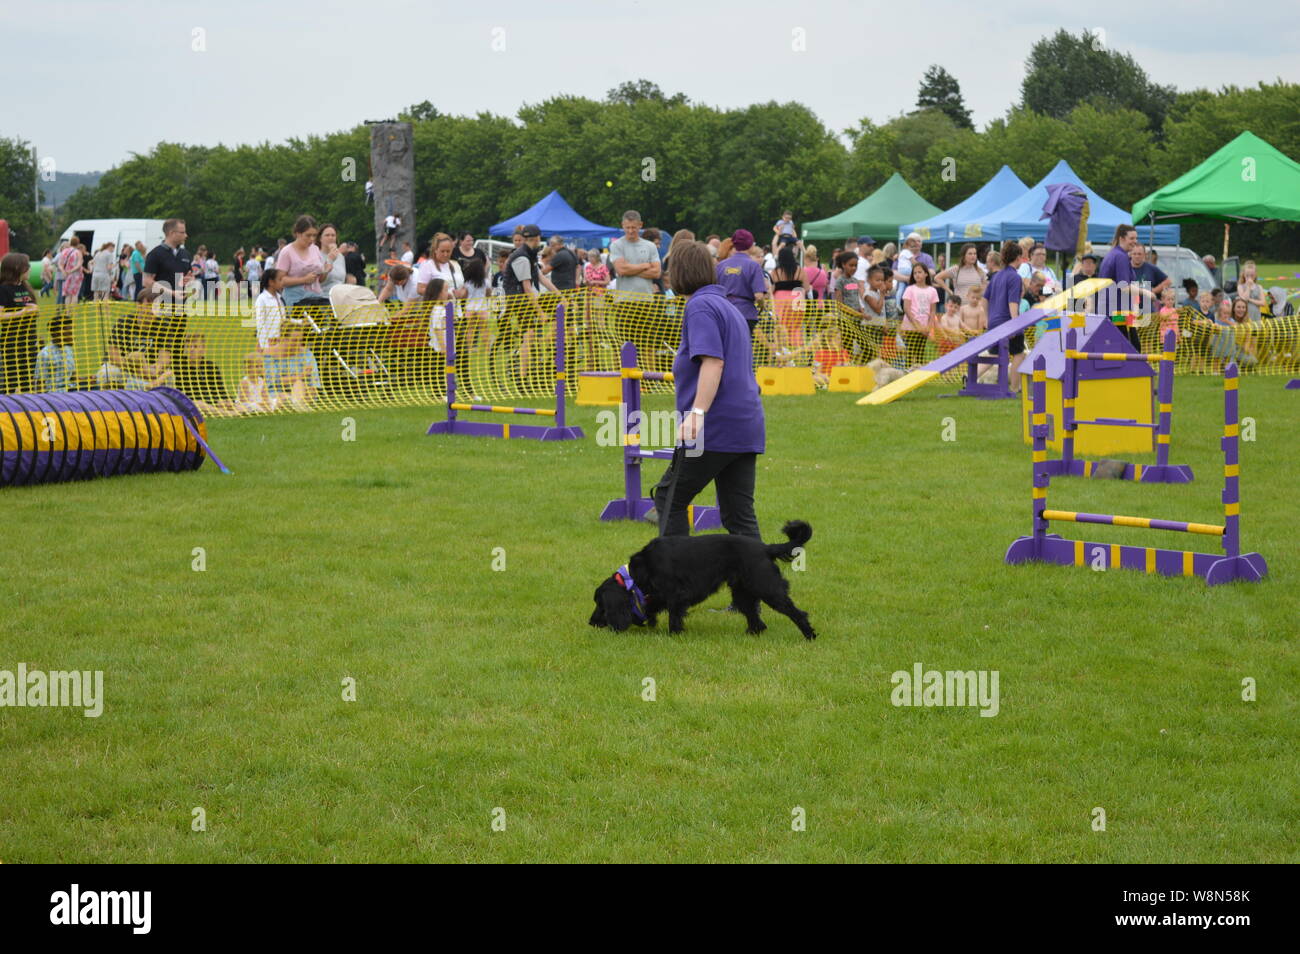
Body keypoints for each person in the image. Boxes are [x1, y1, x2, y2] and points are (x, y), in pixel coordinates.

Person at [650, 240, 765, 539]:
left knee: (669, 498)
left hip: (716, 425)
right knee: (738, 515)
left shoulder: (700, 306)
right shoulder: (729, 307)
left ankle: (676, 567)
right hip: (745, 423)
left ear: (679, 272)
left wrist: (697, 413)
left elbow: (713, 362)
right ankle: (759, 572)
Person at [500, 224, 547, 379]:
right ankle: (522, 374)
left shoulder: (530, 254)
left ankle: (533, 364)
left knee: (532, 334)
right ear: (537, 238)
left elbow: (541, 277)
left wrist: (561, 296)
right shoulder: (522, 257)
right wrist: (540, 312)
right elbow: (527, 287)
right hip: (518, 299)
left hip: (523, 298)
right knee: (529, 334)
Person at [983, 240, 1027, 389]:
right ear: (1018, 257)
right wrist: (1015, 325)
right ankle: (1014, 388)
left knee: (994, 354)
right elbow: (1013, 302)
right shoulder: (1015, 277)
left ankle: (970, 377)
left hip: (994, 321)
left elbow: (984, 299)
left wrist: (987, 318)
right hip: (1007, 321)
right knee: (1019, 354)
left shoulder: (997, 276)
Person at [0, 252, 40, 393]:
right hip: (12, 342)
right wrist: (21, 313)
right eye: (27, 266)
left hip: (29, 341)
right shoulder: (3, 289)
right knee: (10, 383)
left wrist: (35, 309)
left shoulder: (25, 287)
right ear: (17, 268)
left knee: (28, 382)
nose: (29, 269)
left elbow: (32, 309)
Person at [713, 230, 766, 331]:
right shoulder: (753, 266)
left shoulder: (720, 266)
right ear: (750, 245)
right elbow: (759, 296)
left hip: (724, 313)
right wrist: (762, 306)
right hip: (745, 313)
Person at [1098, 224, 1140, 348]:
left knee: (1120, 346)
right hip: (1118, 312)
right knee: (1131, 348)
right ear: (1122, 238)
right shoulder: (1121, 256)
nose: (1135, 241)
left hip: (1112, 310)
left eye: (1136, 238)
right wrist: (1147, 293)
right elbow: (1124, 286)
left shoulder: (1113, 254)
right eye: (1131, 238)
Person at [174, 333, 236, 416]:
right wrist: (215, 402)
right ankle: (227, 413)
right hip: (189, 403)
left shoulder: (211, 366)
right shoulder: (179, 367)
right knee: (199, 404)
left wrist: (227, 400)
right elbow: (187, 395)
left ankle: (231, 410)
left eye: (195, 346)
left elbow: (220, 390)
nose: (191, 349)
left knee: (234, 404)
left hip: (209, 403)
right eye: (188, 347)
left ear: (203, 349)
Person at [276, 216, 328, 308]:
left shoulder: (315, 249)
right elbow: (280, 280)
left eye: (314, 235)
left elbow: (320, 280)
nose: (312, 239)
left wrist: (326, 271)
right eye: (308, 235)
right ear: (298, 234)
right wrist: (303, 280)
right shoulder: (286, 252)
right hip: (294, 301)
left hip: (316, 298)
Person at [900, 262, 939, 368]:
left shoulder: (932, 290)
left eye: (919, 272)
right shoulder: (910, 289)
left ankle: (919, 373)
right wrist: (917, 325)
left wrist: (929, 327)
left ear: (926, 274)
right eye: (915, 273)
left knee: (920, 353)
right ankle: (908, 372)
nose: (917, 275)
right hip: (911, 327)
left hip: (924, 328)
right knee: (910, 352)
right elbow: (906, 309)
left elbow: (933, 311)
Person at [143, 219, 193, 294]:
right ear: (172, 233)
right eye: (182, 232)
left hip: (181, 301)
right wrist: (171, 292)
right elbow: (147, 282)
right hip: (161, 300)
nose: (186, 235)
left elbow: (190, 277)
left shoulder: (186, 254)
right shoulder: (154, 254)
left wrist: (189, 280)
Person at [416, 233, 466, 299]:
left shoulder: (455, 264)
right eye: (442, 251)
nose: (445, 254)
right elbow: (420, 289)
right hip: (438, 305)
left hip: (457, 305)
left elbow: (463, 287)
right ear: (435, 250)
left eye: (448, 251)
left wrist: (462, 293)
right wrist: (441, 295)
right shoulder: (427, 265)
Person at [316, 223, 347, 297]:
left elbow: (342, 280)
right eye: (327, 235)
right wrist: (330, 260)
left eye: (333, 235)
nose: (330, 238)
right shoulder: (316, 256)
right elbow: (318, 282)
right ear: (320, 238)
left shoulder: (340, 257)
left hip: (340, 298)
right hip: (323, 298)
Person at [58, 237, 86, 305]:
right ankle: (72, 311)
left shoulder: (64, 251)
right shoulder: (78, 252)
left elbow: (60, 264)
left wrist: (63, 271)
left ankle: (68, 311)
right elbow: (79, 264)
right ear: (78, 243)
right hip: (76, 275)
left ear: (70, 243)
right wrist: (71, 271)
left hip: (66, 275)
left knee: (67, 295)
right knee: (74, 294)